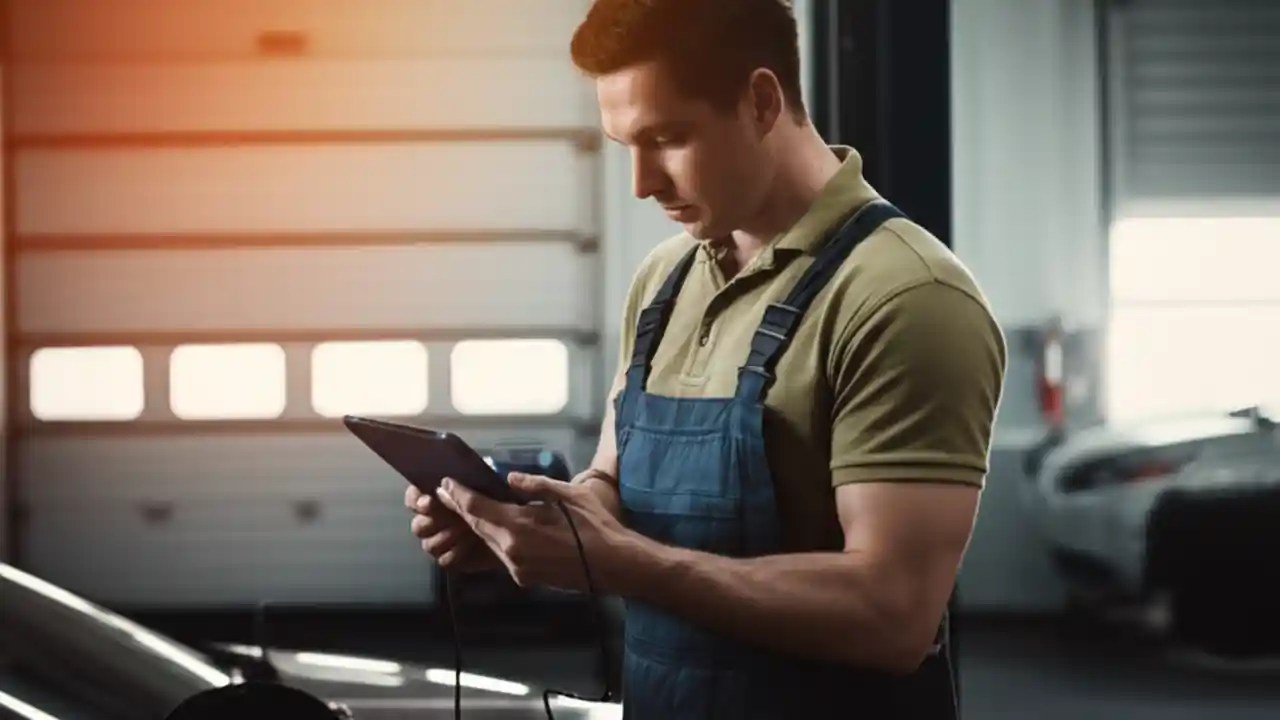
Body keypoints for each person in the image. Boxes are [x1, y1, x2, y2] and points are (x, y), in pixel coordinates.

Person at [406, 0, 1006, 716]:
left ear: (760, 102)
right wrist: (531, 527)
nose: (642, 183)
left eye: (668, 136)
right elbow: (612, 486)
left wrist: (630, 565)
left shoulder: (907, 297)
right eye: (624, 144)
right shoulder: (663, 279)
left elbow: (894, 613)